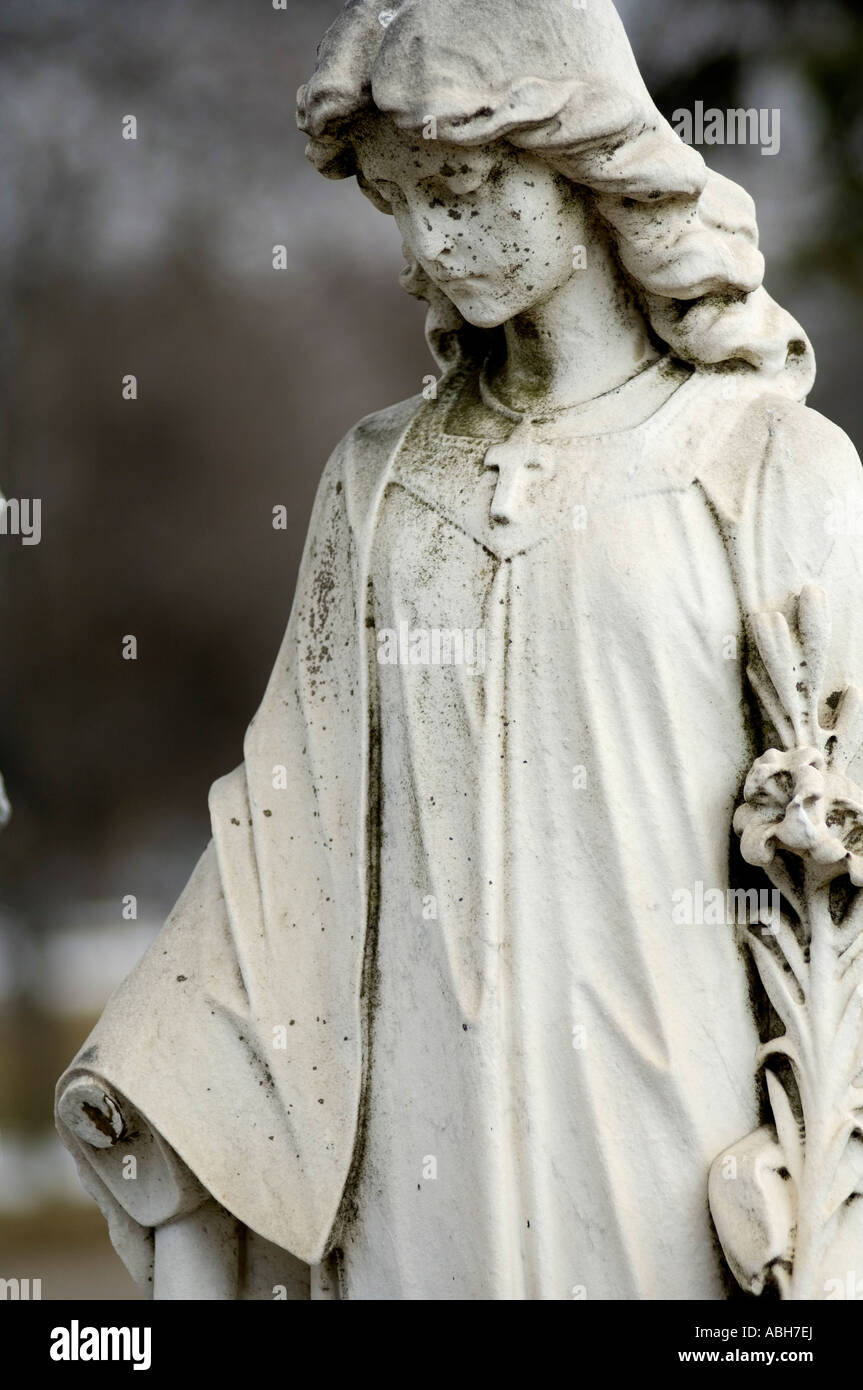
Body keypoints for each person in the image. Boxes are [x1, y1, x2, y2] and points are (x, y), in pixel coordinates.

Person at [57, 0, 863, 1299]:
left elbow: (844, 867)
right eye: (397, 202)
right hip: (420, 1181)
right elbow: (289, 829)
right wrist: (167, 1066)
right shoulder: (376, 488)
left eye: (460, 185)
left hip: (683, 1172)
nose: (430, 237)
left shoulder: (770, 471)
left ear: (582, 149)